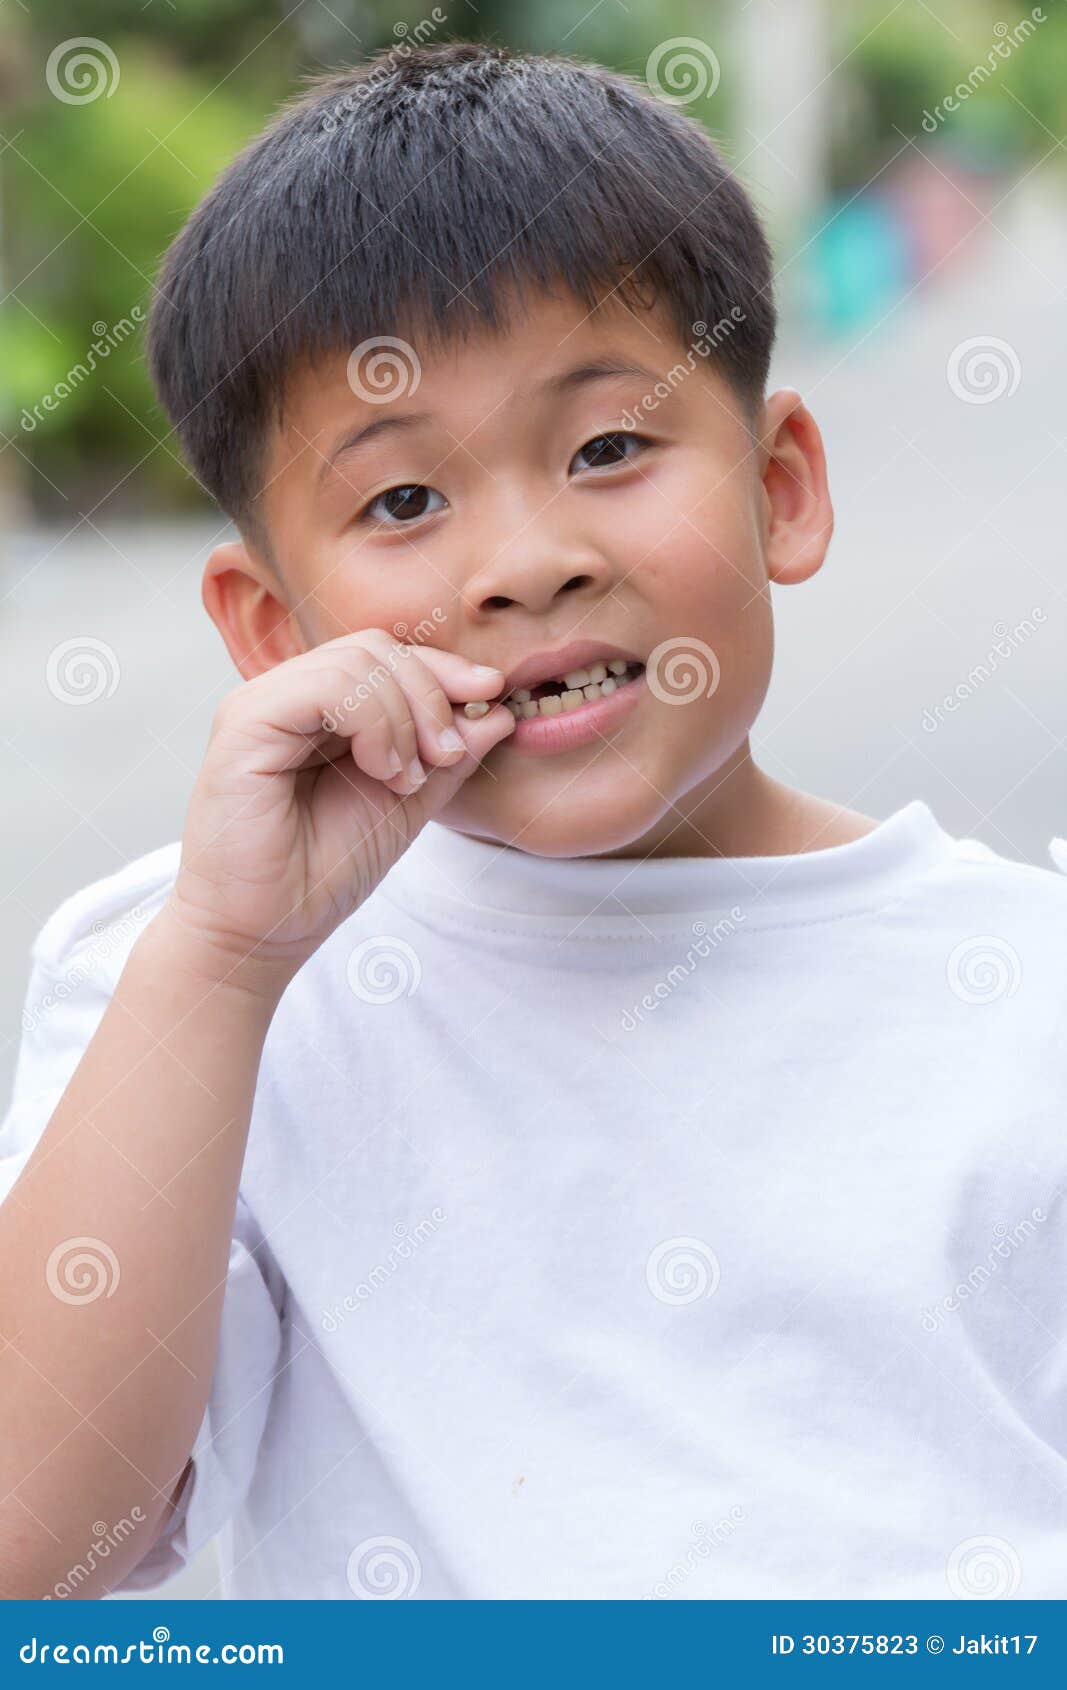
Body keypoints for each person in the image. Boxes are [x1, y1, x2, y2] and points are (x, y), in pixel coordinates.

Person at [2, 40, 1065, 1602]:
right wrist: (224, 963)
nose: (527, 560)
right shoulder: (186, 988)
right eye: (404, 502)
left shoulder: (1023, 982)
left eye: (610, 448)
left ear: (782, 489)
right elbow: (35, 1548)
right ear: (274, 632)